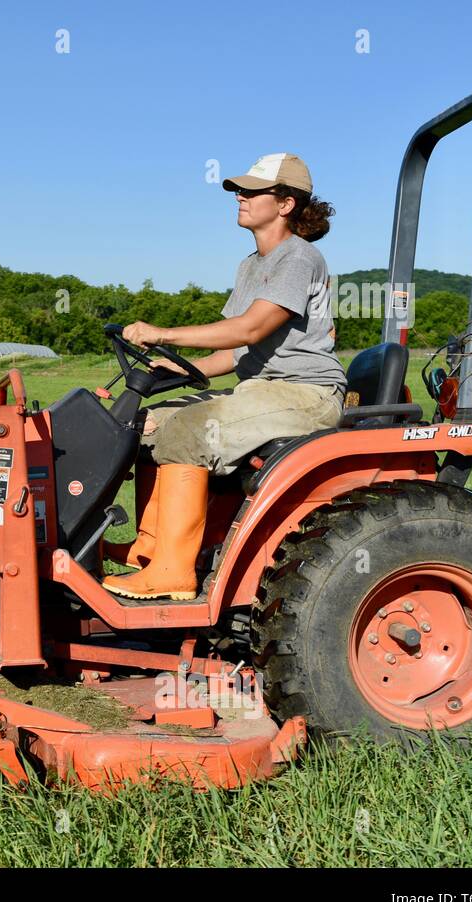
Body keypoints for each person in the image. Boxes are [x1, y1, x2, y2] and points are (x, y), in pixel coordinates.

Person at [103, 153, 346, 601]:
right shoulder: (250, 264)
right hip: (260, 388)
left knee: (193, 431)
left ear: (286, 203)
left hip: (305, 393)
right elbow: (234, 352)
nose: (241, 196)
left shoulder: (299, 257)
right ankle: (148, 553)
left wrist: (164, 333)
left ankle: (173, 573)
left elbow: (250, 327)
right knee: (150, 423)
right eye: (240, 189)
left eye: (252, 190)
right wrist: (173, 364)